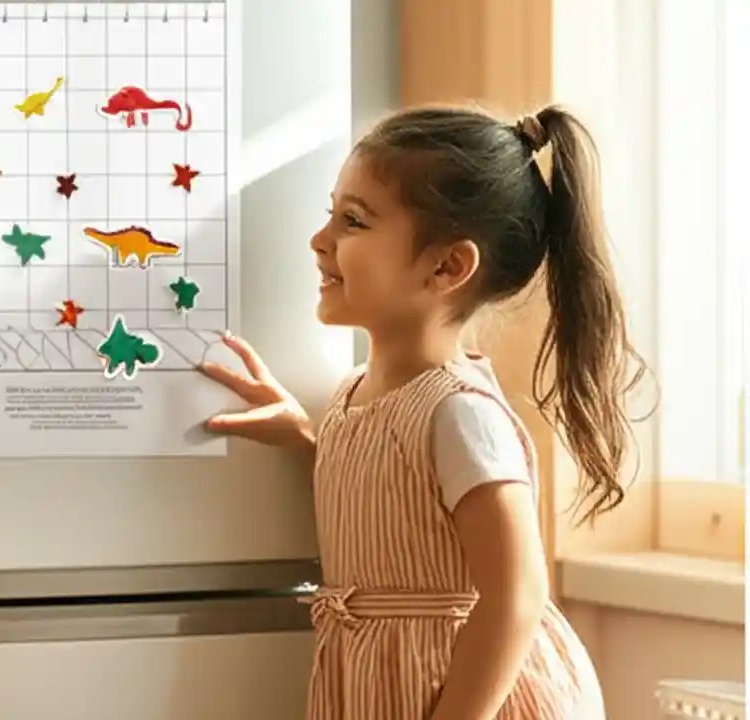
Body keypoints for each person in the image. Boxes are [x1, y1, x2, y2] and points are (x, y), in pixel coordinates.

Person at [201, 105, 650, 718]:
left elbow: (516, 596)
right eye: (330, 213)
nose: (320, 239)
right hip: (381, 682)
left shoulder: (461, 414)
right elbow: (397, 504)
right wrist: (309, 439)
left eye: (353, 221)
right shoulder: (354, 395)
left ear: (447, 267)